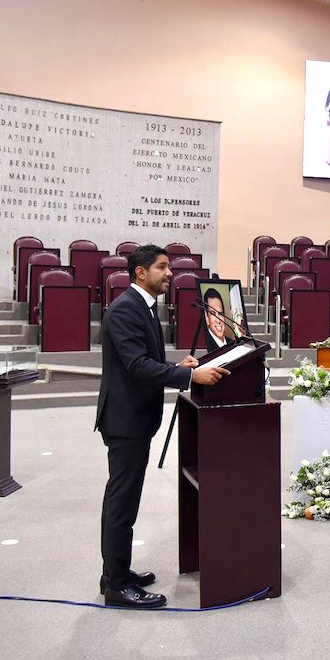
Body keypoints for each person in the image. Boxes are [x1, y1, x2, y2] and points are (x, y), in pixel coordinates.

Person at [96, 245, 228, 609]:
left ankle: (116, 572)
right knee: (122, 501)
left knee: (125, 499)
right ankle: (117, 584)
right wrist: (189, 374)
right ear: (141, 272)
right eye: (162, 267)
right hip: (125, 420)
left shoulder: (143, 307)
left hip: (135, 418)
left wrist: (176, 364)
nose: (170, 274)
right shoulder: (125, 310)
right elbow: (137, 367)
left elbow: (145, 360)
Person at [202, 287, 235, 351]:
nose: (218, 320)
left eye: (220, 314)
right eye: (213, 314)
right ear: (206, 317)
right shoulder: (204, 346)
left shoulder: (232, 343)